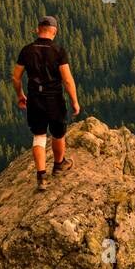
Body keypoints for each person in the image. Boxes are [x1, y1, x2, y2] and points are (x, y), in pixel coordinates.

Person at [13, 16, 80, 191]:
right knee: (58, 134)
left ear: (38, 29)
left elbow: (16, 77)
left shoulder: (26, 50)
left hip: (35, 98)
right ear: (54, 32)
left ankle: (41, 177)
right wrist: (74, 101)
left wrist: (20, 95)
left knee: (39, 136)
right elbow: (67, 79)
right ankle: (59, 164)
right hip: (54, 99)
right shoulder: (58, 51)